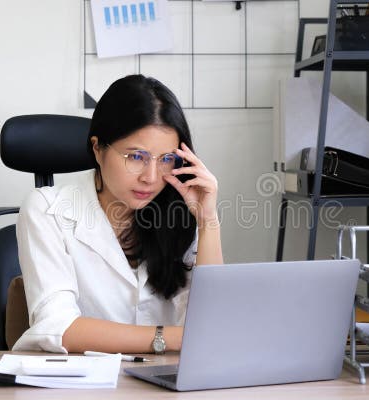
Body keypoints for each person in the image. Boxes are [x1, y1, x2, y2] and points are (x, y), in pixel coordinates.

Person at [12, 75, 223, 354]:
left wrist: (208, 222)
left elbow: (213, 322)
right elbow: (59, 327)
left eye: (166, 160)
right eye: (136, 157)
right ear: (98, 148)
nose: (151, 177)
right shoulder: (45, 209)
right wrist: (173, 338)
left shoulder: (179, 210)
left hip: (167, 383)